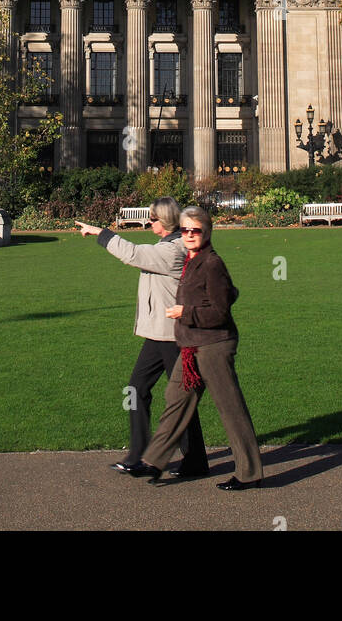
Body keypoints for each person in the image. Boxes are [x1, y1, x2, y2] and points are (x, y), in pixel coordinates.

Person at [128, 205, 263, 491]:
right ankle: (152, 461)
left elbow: (220, 312)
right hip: (191, 347)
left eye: (195, 230)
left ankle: (249, 473)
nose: (189, 234)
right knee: (175, 398)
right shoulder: (193, 259)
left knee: (230, 409)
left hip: (214, 346)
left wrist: (185, 313)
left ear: (207, 232)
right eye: (185, 229)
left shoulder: (211, 263)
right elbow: (230, 292)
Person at [76, 198, 208, 478]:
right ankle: (144, 454)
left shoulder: (172, 251)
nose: (149, 222)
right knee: (139, 390)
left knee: (179, 397)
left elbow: (132, 254)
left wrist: (100, 233)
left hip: (172, 336)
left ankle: (187, 459)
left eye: (153, 218)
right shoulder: (167, 247)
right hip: (157, 335)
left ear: (165, 221)